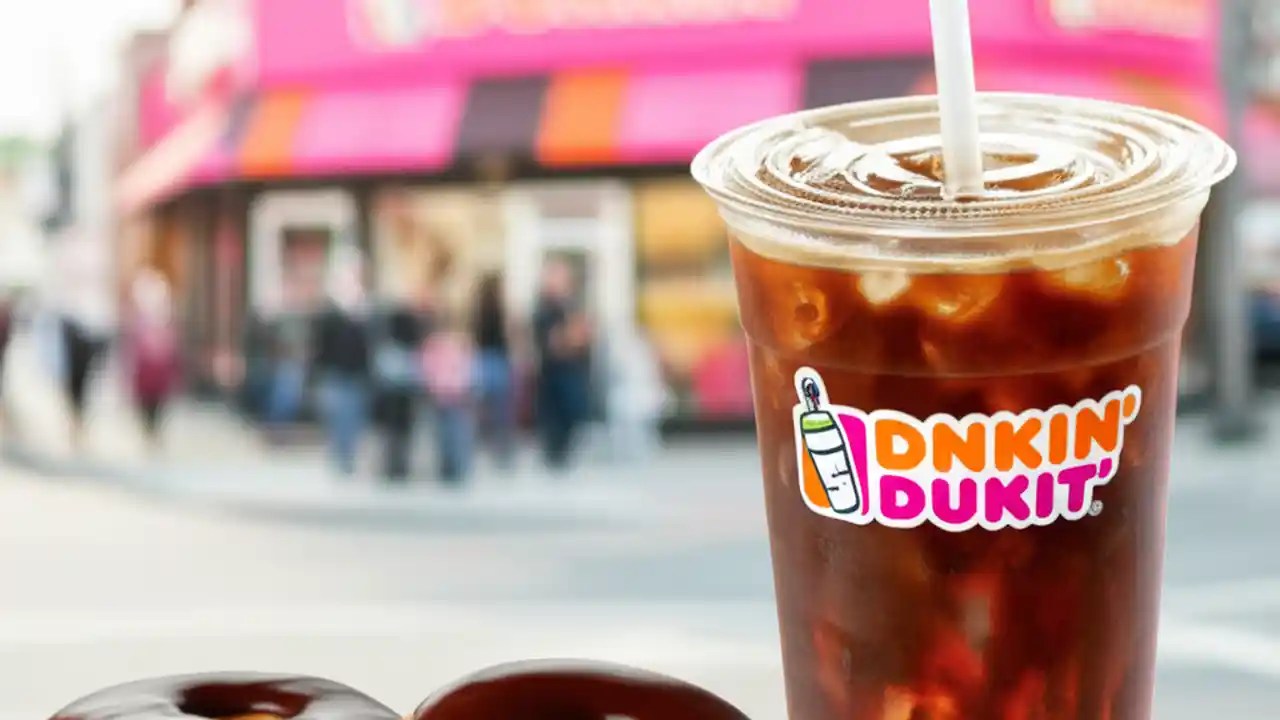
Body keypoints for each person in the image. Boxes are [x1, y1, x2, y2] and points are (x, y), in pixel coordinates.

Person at [311, 258, 373, 477]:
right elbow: (320, 345)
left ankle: (348, 458)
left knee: (353, 419)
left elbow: (368, 345)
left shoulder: (364, 311)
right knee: (337, 417)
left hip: (356, 374)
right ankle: (339, 458)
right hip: (334, 373)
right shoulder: (329, 312)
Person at [532, 259, 592, 471]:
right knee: (552, 416)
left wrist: (570, 337)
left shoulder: (573, 305)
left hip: (571, 370)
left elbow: (582, 337)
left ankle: (563, 453)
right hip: (551, 371)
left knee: (573, 413)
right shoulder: (543, 309)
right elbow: (552, 342)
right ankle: (554, 455)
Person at [124, 271, 181, 448]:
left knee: (158, 401)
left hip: (159, 370)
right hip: (145, 370)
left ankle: (154, 431)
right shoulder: (139, 321)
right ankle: (150, 430)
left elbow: (173, 347)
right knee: (145, 401)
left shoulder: (166, 320)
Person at [373, 299, 425, 482]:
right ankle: (401, 467)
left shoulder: (387, 349)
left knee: (390, 435)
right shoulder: (413, 352)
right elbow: (418, 376)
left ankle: (390, 467)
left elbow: (380, 374)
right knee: (404, 435)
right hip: (405, 398)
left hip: (389, 398)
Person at [421, 314, 476, 484]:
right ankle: (449, 468)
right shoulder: (435, 345)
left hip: (452, 395)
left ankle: (455, 467)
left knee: (454, 432)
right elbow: (428, 368)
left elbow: (466, 368)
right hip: (446, 395)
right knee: (447, 433)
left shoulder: (459, 344)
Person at [473, 273, 516, 468]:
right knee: (500, 407)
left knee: (487, 406)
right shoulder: (498, 311)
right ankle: (500, 448)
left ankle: (488, 444)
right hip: (495, 359)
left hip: (485, 358)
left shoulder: (479, 310)